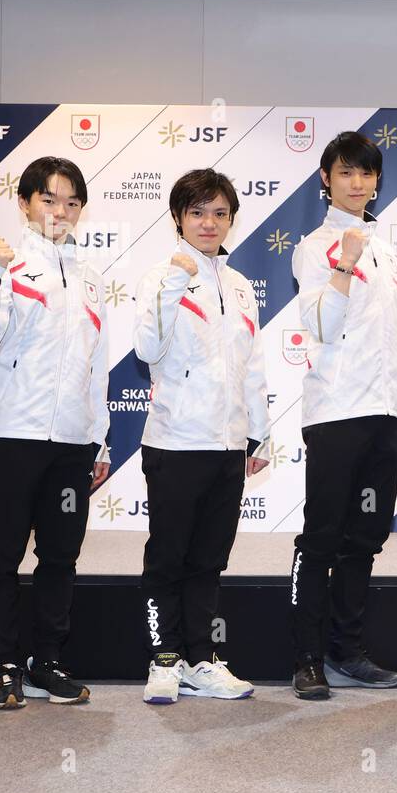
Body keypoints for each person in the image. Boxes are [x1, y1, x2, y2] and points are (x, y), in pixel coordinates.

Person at [0, 156, 109, 710]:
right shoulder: (8, 264)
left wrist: (99, 439)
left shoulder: (91, 278)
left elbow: (97, 368)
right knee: (2, 556)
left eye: (72, 202)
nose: (61, 211)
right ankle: (2, 666)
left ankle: (46, 661)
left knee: (60, 556)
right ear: (25, 202)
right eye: (50, 199)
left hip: (72, 443)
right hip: (16, 435)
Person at [133, 168, 269, 704]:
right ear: (177, 219)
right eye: (197, 212)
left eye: (218, 213)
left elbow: (251, 366)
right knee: (167, 559)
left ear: (231, 219)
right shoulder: (159, 277)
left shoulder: (238, 286)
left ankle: (200, 660)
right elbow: (147, 348)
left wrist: (254, 435)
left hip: (226, 446)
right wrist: (173, 281)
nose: (208, 222)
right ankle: (163, 661)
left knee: (209, 561)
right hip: (174, 441)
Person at [288, 131, 397, 700]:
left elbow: (387, 336)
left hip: (382, 412)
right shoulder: (314, 247)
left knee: (364, 538)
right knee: (321, 539)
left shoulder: (384, 248)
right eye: (345, 174)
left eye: (366, 174)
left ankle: (347, 651)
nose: (357, 183)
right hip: (337, 413)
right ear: (325, 179)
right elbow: (318, 326)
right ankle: (307, 657)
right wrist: (343, 265)